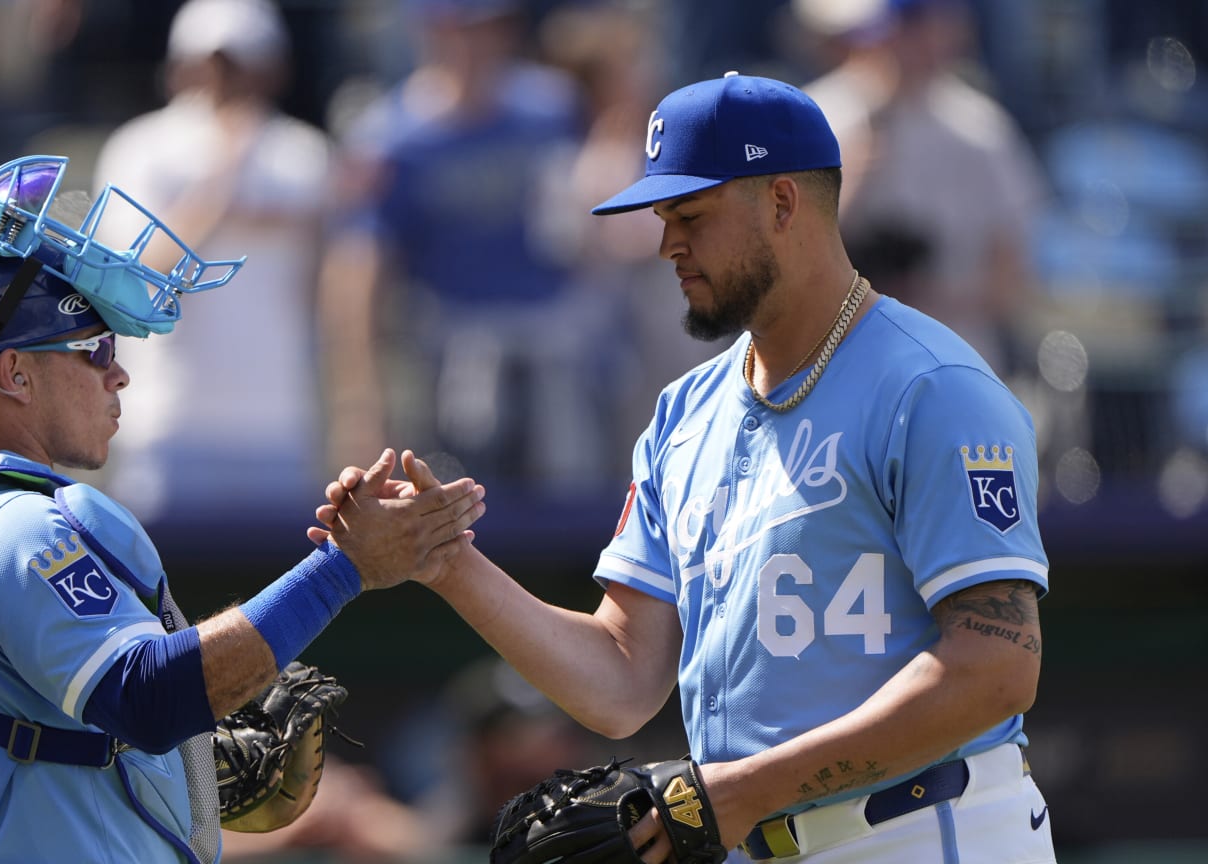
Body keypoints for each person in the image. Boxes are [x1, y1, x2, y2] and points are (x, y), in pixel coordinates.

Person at [317, 74, 1054, 863]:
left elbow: (996, 668)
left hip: (927, 832)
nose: (668, 243)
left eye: (691, 215)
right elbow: (623, 680)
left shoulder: (930, 387)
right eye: (665, 217)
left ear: (781, 201)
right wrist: (446, 561)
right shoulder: (685, 415)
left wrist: (739, 793)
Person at [0, 155, 485, 863]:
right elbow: (149, 697)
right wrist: (344, 569)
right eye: (92, 348)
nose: (119, 371)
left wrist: (112, 764)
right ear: (13, 373)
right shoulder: (28, 525)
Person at [319, 0, 619, 495]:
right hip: (450, 353)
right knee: (462, 499)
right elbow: (358, 271)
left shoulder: (552, 109)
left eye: (489, 27)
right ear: (430, 33)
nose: (477, 43)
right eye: (460, 28)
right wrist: (358, 402)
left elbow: (587, 225)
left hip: (556, 343)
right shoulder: (390, 139)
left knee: (578, 495)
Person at [92, 0, 334, 518]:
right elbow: (133, 275)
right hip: (169, 422)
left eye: (241, 65)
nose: (225, 80)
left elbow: (324, 283)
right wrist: (224, 182)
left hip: (278, 425)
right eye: (213, 63)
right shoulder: (141, 148)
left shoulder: (305, 154)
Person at [798, 0, 1046, 377]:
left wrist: (919, 296)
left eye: (932, 23)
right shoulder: (817, 118)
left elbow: (1011, 286)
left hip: (951, 367)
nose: (922, 40)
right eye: (908, 24)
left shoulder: (980, 131)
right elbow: (784, 264)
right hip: (838, 366)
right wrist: (846, 191)